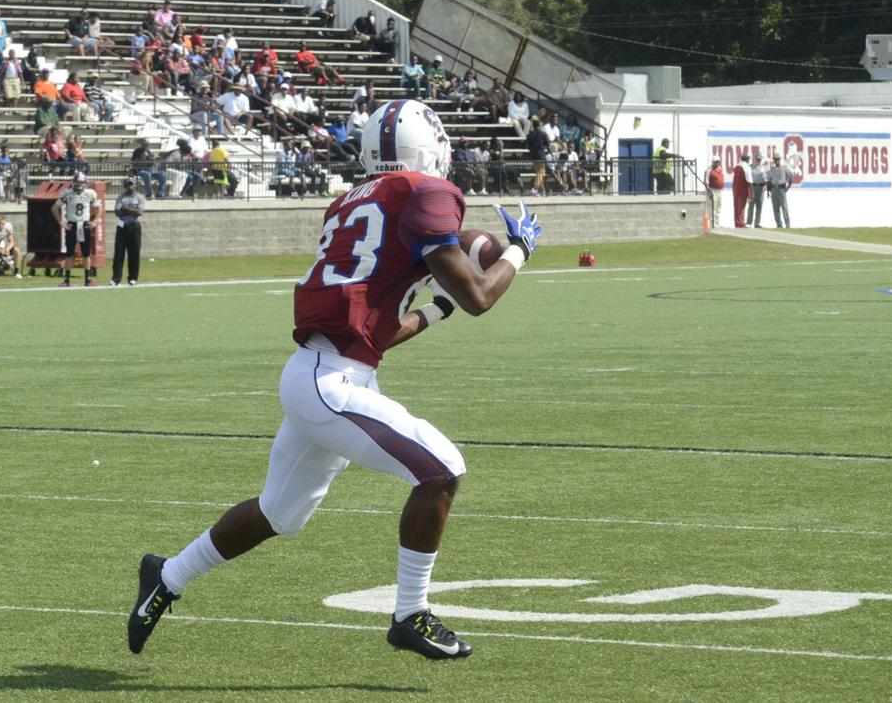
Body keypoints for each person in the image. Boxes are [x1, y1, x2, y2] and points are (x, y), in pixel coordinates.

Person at [126, 98, 541, 660]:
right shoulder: (427, 193)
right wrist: (517, 251)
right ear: (431, 147)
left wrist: (435, 308)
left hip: (323, 372)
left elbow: (374, 331)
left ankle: (166, 576)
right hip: (331, 384)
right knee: (442, 470)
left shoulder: (349, 202)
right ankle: (410, 612)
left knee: (280, 513)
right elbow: (481, 297)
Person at [52, 170, 99, 287]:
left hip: (85, 224)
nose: (79, 185)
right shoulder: (66, 193)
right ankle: (67, 280)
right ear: (73, 183)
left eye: (81, 182)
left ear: (85, 183)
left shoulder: (90, 193)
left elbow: (98, 208)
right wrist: (61, 222)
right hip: (72, 224)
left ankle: (88, 279)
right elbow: (54, 208)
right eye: (77, 183)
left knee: (86, 254)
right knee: (69, 254)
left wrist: (96, 221)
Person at [111, 175, 145, 286]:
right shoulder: (121, 197)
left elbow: (139, 212)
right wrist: (131, 211)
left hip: (134, 226)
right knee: (119, 253)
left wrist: (126, 209)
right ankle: (116, 278)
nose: (130, 186)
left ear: (136, 185)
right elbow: (117, 213)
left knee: (134, 253)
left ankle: (133, 278)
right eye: (128, 184)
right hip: (122, 226)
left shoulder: (140, 197)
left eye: (132, 184)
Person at [766, 151, 792, 228]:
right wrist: (768, 191)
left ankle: (788, 225)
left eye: (777, 159)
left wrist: (787, 188)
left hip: (781, 190)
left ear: (779, 160)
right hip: (774, 190)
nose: (776, 160)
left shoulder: (784, 168)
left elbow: (790, 178)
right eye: (775, 159)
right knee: (775, 208)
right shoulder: (771, 170)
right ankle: (779, 225)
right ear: (773, 160)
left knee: (784, 208)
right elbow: (768, 181)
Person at [746, 154, 767, 228]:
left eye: (760, 159)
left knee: (759, 206)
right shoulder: (750, 167)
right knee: (751, 205)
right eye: (757, 159)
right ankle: (749, 222)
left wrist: (765, 185)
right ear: (755, 159)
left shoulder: (764, 167)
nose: (758, 161)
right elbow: (747, 178)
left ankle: (757, 223)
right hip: (753, 187)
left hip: (761, 188)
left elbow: (767, 178)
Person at [706, 156, 725, 230]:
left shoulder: (720, 169)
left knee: (718, 207)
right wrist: (709, 191)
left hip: (719, 190)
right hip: (712, 190)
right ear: (713, 162)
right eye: (716, 162)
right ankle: (712, 223)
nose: (717, 163)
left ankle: (717, 222)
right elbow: (706, 182)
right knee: (712, 207)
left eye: (718, 161)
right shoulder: (709, 170)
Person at [732, 153, 750, 228]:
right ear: (747, 159)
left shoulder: (737, 166)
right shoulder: (746, 167)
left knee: (736, 206)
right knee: (742, 206)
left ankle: (737, 222)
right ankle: (741, 222)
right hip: (743, 189)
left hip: (735, 189)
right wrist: (751, 192)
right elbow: (749, 181)